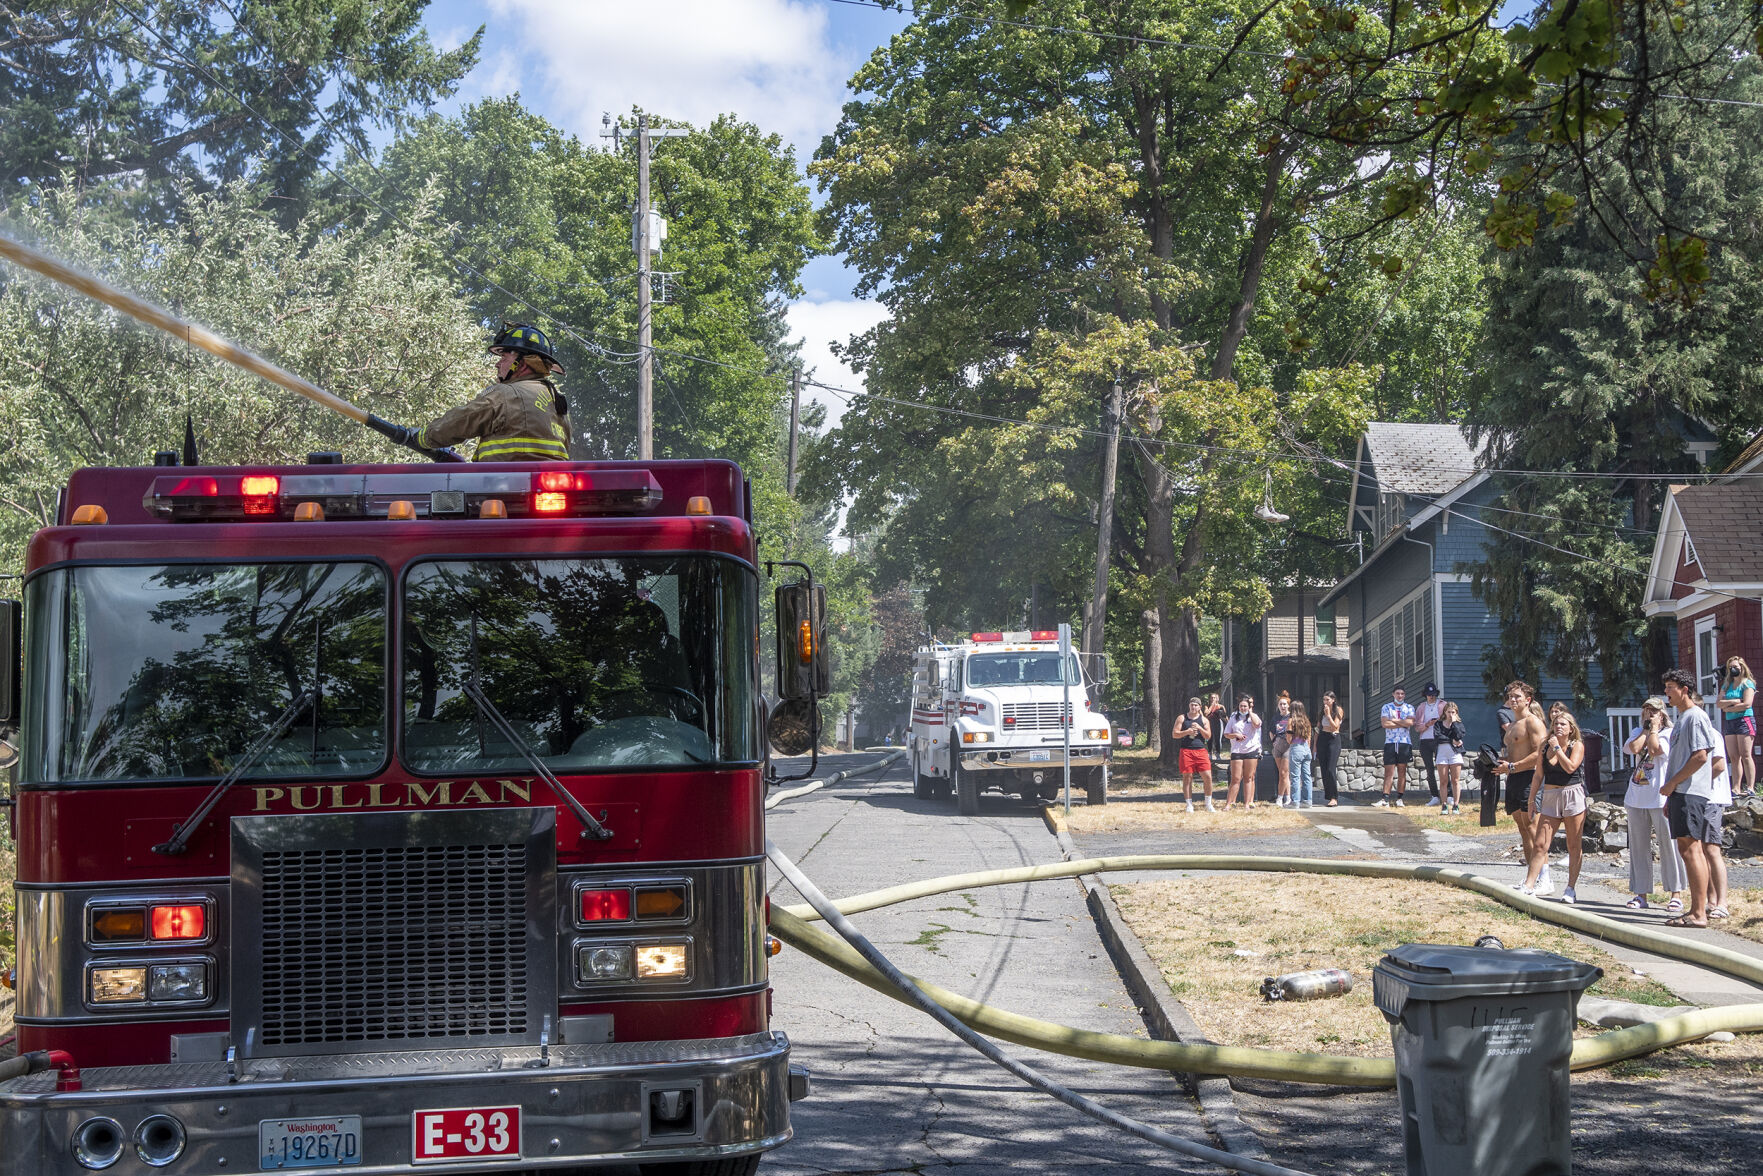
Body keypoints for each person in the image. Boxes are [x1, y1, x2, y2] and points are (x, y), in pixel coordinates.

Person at [413, 323, 572, 461]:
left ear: (522, 364)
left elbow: (462, 420)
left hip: (504, 486)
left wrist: (421, 437)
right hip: (552, 487)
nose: (497, 364)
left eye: (504, 358)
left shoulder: (506, 394)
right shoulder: (557, 402)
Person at [1659, 667, 1721, 928]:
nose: (1666, 693)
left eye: (1670, 688)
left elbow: (1701, 756)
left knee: (1692, 849)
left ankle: (1699, 913)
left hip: (1690, 792)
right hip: (1680, 794)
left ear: (1685, 690)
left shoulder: (1695, 716)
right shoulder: (1683, 718)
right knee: (1687, 850)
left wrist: (1673, 783)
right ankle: (1698, 909)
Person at [1623, 697, 1685, 912]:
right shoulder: (1637, 731)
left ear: (1663, 713)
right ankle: (1641, 894)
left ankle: (1675, 893)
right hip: (1636, 797)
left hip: (1660, 796)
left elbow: (1657, 749)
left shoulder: (1670, 732)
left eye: (1654, 711)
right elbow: (1632, 748)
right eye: (1646, 710)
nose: (1649, 714)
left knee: (1669, 846)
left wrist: (1655, 729)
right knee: (1639, 848)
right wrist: (1645, 729)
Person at [1518, 708, 1588, 902]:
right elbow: (1538, 774)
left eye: (1562, 724)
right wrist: (1532, 800)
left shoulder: (1577, 745)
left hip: (1572, 795)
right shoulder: (1544, 746)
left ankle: (1570, 888)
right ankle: (1529, 885)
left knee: (1573, 844)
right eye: (1555, 724)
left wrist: (1558, 748)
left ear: (1571, 729)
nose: (1558, 727)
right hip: (1550, 795)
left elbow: (1570, 767)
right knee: (1540, 843)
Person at [1492, 681, 1552, 895]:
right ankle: (1531, 878)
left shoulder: (1533, 722)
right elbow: (1513, 754)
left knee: (1534, 828)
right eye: (1510, 696)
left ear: (1528, 700)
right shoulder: (1511, 727)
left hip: (1530, 778)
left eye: (1518, 696)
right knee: (1522, 828)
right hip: (1513, 778)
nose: (1513, 699)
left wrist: (1513, 766)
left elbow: (1539, 754)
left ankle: (1546, 879)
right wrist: (1498, 762)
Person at [1717, 657, 1756, 799]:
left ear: (1741, 667)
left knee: (1745, 754)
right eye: (1730, 667)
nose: (1733, 669)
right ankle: (1736, 788)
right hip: (1730, 722)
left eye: (1735, 667)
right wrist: (1733, 701)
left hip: (1744, 720)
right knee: (1734, 756)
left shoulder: (1748, 684)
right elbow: (1719, 703)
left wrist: (1728, 707)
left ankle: (1750, 787)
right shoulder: (1727, 685)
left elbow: (1747, 704)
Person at [1374, 686, 1414, 807]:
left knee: (1402, 771)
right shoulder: (1386, 707)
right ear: (1393, 694)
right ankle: (1385, 798)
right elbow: (1385, 724)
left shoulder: (1409, 707)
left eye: (1402, 693)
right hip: (1390, 742)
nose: (1400, 696)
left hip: (1404, 742)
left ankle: (1400, 798)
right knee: (1389, 771)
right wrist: (1402, 722)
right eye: (1397, 693)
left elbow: (1410, 723)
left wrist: (1395, 720)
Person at [1222, 695, 1262, 812]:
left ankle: (1247, 804)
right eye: (1241, 706)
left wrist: (1250, 712)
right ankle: (1229, 804)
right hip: (1237, 751)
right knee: (1235, 778)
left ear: (1249, 707)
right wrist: (1235, 735)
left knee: (1248, 778)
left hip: (1251, 750)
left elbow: (1257, 724)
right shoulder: (1234, 717)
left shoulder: (1253, 717)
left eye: (1245, 706)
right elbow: (1226, 733)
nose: (1243, 708)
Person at [1174, 697, 1214, 813]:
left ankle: (1208, 803)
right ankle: (1189, 804)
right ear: (1189, 706)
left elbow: (1208, 736)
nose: (1193, 707)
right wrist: (1187, 732)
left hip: (1201, 750)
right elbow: (1175, 734)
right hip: (1186, 750)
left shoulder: (1204, 720)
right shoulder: (1182, 718)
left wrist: (1200, 728)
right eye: (1192, 705)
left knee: (1207, 776)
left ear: (1199, 707)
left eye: (1196, 705)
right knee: (1187, 777)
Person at [1415, 683, 1445, 805]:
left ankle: (1448, 794)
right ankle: (1434, 795)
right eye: (1428, 695)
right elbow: (1417, 727)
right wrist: (1427, 724)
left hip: (1439, 740)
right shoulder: (1421, 707)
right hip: (1425, 740)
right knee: (1429, 769)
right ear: (1425, 695)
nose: (1431, 697)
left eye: (1433, 695)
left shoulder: (1442, 704)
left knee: (1443, 767)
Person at [1434, 700, 1466, 814]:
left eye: (1453, 712)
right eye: (1448, 712)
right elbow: (1438, 737)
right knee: (1443, 780)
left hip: (1455, 753)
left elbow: (1459, 736)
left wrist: (1455, 723)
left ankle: (1456, 805)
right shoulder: (1438, 724)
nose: (1450, 714)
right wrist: (1451, 740)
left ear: (1456, 713)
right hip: (1442, 753)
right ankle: (1444, 805)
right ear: (1445, 712)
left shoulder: (1459, 724)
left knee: (1455, 780)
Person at [1317, 690, 1344, 807]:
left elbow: (1335, 727)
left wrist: (1328, 716)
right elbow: (1318, 729)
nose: (1325, 702)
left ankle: (1334, 797)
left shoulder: (1338, 710)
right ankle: (1328, 796)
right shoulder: (1321, 712)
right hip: (1322, 738)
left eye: (1327, 700)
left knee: (1330, 768)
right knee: (1323, 768)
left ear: (1333, 700)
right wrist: (1314, 746)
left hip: (1333, 739)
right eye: (1324, 700)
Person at [1270, 692, 1294, 808]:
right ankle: (1288, 797)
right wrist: (1273, 741)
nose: (1283, 706)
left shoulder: (1291, 717)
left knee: (1284, 773)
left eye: (1284, 704)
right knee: (1283, 774)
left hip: (1288, 746)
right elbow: (1271, 731)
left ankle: (1280, 798)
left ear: (1288, 705)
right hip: (1277, 745)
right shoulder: (1275, 717)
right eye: (1280, 704)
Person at [1288, 713, 1315, 809]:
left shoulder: (1291, 721)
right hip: (1306, 748)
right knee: (1307, 776)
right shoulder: (1306, 721)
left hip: (1296, 748)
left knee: (1295, 776)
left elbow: (1289, 739)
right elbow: (1309, 738)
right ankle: (1307, 801)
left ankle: (1295, 801)